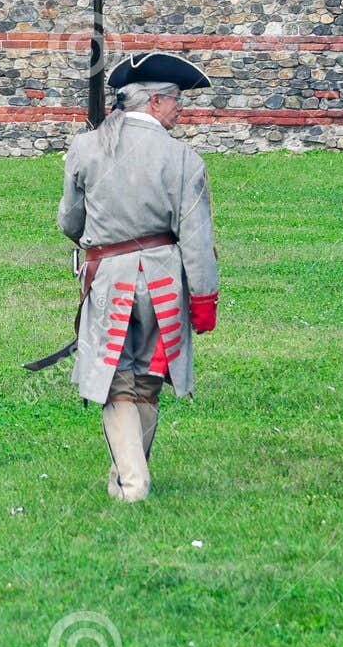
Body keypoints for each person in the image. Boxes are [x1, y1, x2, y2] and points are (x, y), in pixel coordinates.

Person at [56, 52, 220, 503]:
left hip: (109, 279)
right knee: (145, 380)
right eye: (176, 100)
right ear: (154, 101)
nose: (180, 108)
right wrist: (204, 299)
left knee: (117, 382)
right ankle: (129, 479)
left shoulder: (84, 147)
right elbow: (197, 238)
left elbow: (70, 222)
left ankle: (132, 483)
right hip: (164, 282)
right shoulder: (184, 158)